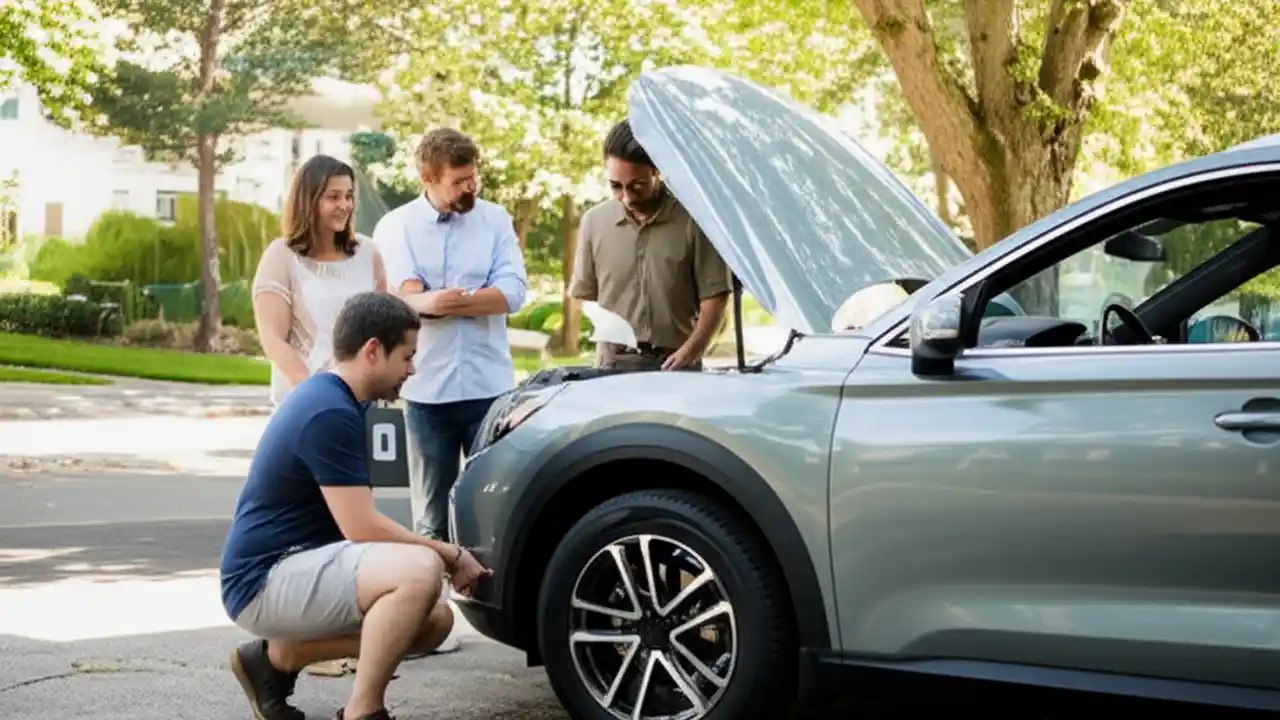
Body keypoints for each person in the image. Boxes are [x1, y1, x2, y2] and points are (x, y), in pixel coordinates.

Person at [220, 291, 490, 720]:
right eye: (406, 356)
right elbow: (361, 528)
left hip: (292, 570)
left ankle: (277, 659)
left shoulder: (341, 402)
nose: (412, 369)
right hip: (262, 581)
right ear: (372, 350)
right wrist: (449, 554)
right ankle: (363, 711)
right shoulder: (328, 412)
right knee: (419, 570)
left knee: (434, 623)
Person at [372, 127, 528, 541]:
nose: (469, 187)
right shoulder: (397, 226)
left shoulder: (495, 220)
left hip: (489, 390)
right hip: (427, 392)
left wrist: (440, 302)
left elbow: (512, 293)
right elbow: (402, 297)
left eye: (472, 177)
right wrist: (440, 301)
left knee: (492, 517)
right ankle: (430, 604)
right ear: (427, 178)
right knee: (431, 522)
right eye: (458, 181)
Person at [570, 119, 732, 371]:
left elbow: (715, 297)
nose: (626, 196)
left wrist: (691, 350)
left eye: (637, 186)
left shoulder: (695, 221)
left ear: (658, 171)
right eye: (616, 186)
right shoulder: (594, 222)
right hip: (612, 366)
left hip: (677, 365)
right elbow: (584, 294)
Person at [253, 154, 387, 407]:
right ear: (309, 201)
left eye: (348, 196)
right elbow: (273, 339)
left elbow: (385, 327)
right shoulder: (281, 255)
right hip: (307, 398)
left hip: (364, 398)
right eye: (333, 197)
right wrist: (312, 392)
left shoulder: (368, 252)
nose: (344, 205)